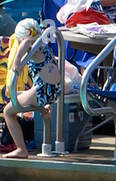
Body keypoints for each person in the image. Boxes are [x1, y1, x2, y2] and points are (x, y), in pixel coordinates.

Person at [1, 17, 80, 158]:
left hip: (41, 91)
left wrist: (17, 64)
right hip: (53, 90)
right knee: (18, 95)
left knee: (8, 112)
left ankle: (21, 149)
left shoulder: (30, 46)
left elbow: (25, 42)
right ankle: (43, 108)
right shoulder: (44, 48)